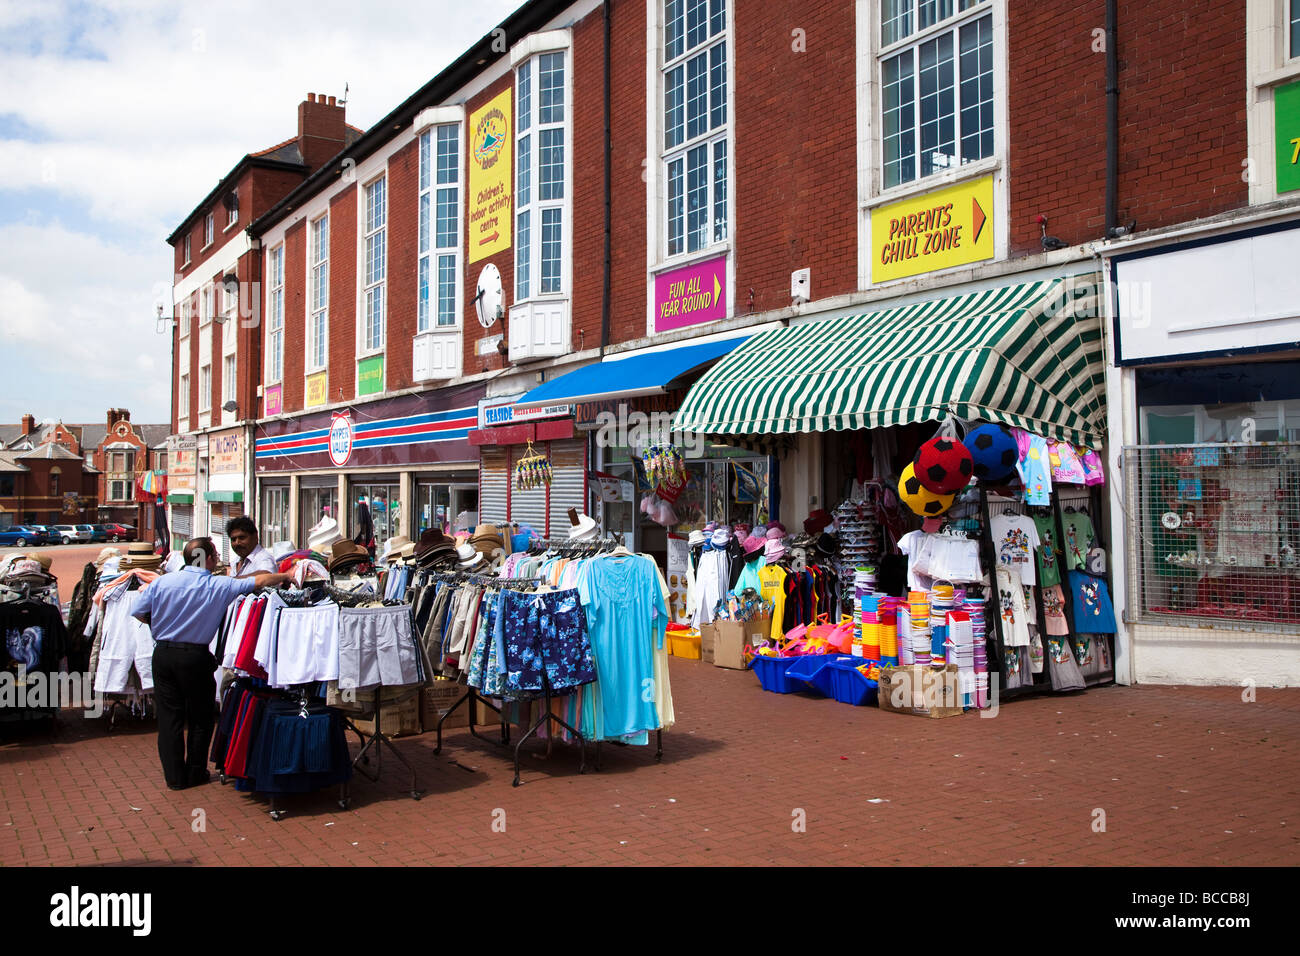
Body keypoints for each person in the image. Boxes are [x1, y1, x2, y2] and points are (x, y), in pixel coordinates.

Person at [132, 537, 290, 791]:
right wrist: (286, 574)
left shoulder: (163, 582)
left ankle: (174, 778)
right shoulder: (217, 584)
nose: (217, 558)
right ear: (206, 558)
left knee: (169, 719)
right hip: (194, 656)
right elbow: (259, 581)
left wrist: (162, 626)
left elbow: (139, 611)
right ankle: (195, 772)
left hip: (163, 654)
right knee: (200, 717)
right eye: (215, 554)